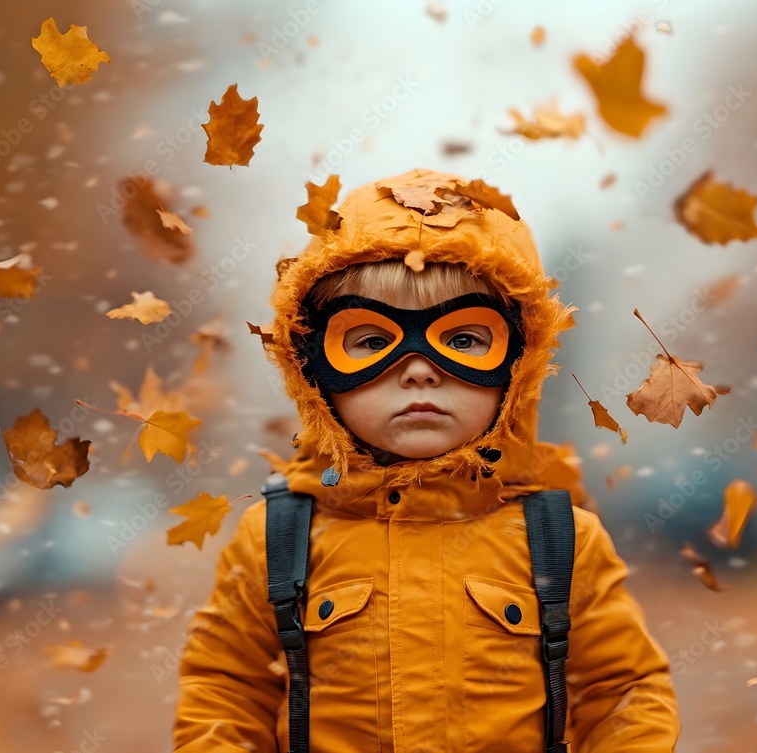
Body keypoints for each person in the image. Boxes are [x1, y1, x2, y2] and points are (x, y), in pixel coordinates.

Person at [172, 168, 681, 752]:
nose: (418, 368)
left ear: (518, 366)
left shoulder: (560, 541)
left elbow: (624, 692)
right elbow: (224, 689)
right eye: (370, 340)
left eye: (463, 339)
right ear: (312, 369)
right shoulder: (281, 538)